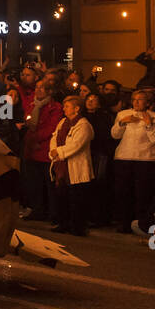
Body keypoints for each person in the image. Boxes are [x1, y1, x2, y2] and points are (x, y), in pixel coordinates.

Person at [111, 89, 155, 233]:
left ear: (147, 102)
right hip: (124, 157)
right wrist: (122, 122)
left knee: (143, 194)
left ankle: (140, 223)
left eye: (140, 99)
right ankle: (124, 222)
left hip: (146, 159)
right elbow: (115, 135)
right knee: (123, 192)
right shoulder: (123, 114)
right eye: (134, 99)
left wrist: (148, 124)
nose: (136, 102)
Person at [48, 95, 93, 236]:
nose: (64, 109)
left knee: (76, 198)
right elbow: (54, 137)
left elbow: (77, 145)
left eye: (67, 106)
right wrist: (53, 151)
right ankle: (63, 223)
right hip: (62, 166)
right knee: (62, 196)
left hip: (76, 166)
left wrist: (59, 152)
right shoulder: (63, 122)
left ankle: (77, 226)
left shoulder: (83, 125)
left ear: (77, 108)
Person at [19, 84, 62, 221]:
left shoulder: (55, 107)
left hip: (44, 150)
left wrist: (36, 137)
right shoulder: (33, 105)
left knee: (48, 184)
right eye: (36, 88)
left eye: (41, 88)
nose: (37, 90)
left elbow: (51, 127)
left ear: (49, 91)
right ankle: (37, 209)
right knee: (34, 183)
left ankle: (53, 213)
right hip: (31, 149)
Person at [83, 92, 115, 226]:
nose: (90, 102)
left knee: (98, 184)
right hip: (84, 153)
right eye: (88, 99)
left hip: (99, 153)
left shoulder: (104, 117)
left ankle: (98, 217)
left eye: (94, 99)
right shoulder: (82, 116)